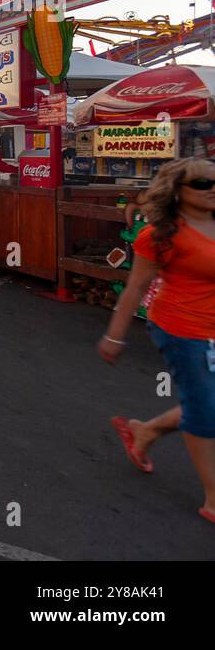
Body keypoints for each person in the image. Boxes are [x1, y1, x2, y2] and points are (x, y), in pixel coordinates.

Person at [99, 158, 215, 526]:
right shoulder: (161, 233)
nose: (210, 188)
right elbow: (136, 288)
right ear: (177, 190)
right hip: (182, 330)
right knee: (204, 409)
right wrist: (114, 335)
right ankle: (214, 499)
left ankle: (144, 431)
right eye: (200, 183)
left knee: (206, 403)